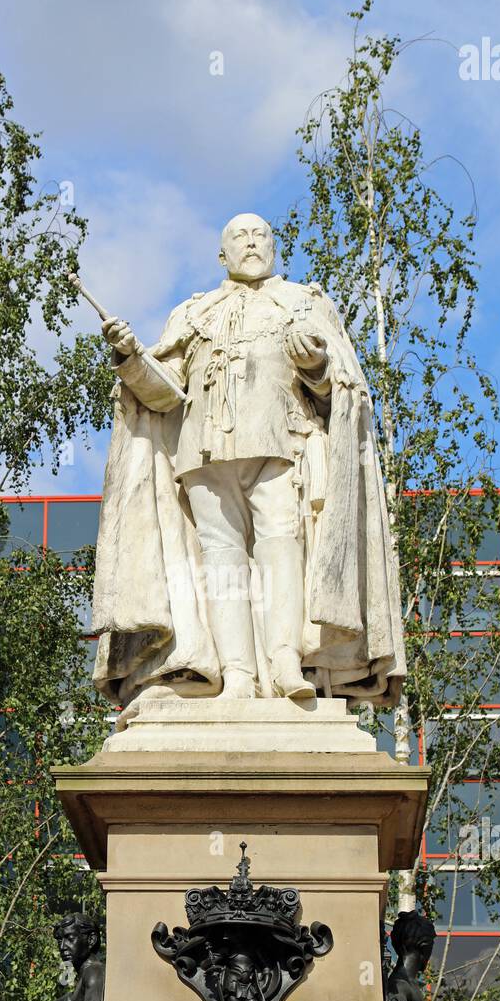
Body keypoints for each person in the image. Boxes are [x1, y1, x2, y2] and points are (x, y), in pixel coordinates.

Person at [92, 213, 405, 710]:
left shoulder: (304, 304)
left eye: (261, 235)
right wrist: (132, 359)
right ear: (223, 255)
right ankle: (236, 672)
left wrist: (316, 366)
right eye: (240, 236)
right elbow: (164, 394)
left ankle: (284, 661)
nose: (252, 242)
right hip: (204, 454)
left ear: (275, 247)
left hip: (282, 444)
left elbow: (339, 399)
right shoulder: (194, 313)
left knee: (282, 548)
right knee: (221, 564)